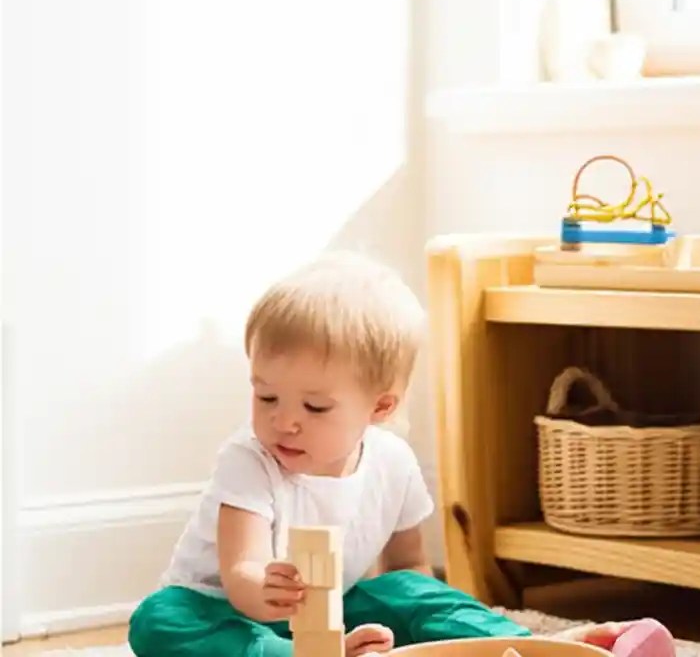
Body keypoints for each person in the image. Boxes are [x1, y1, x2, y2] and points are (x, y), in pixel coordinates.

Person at [127, 252, 616, 656]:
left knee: (415, 594)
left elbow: (408, 569)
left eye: (315, 406)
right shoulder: (248, 459)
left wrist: (417, 621)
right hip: (223, 611)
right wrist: (265, 588)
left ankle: (522, 647)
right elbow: (241, 573)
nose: (284, 421)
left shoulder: (394, 462)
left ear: (379, 407)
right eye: (266, 396)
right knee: (158, 621)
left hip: (330, 609)